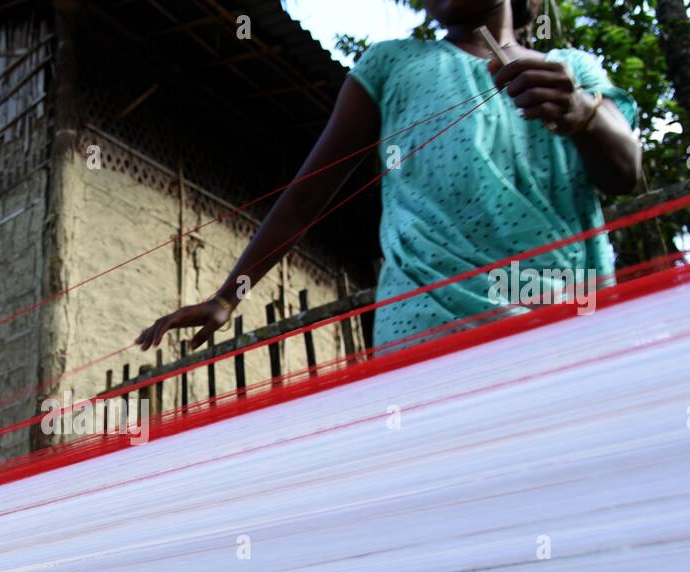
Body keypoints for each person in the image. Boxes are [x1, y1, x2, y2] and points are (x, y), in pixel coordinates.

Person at [136, 0, 641, 354]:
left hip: (567, 319)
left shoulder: (573, 70)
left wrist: (579, 112)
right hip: (427, 328)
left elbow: (625, 171)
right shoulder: (393, 65)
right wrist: (228, 296)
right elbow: (307, 195)